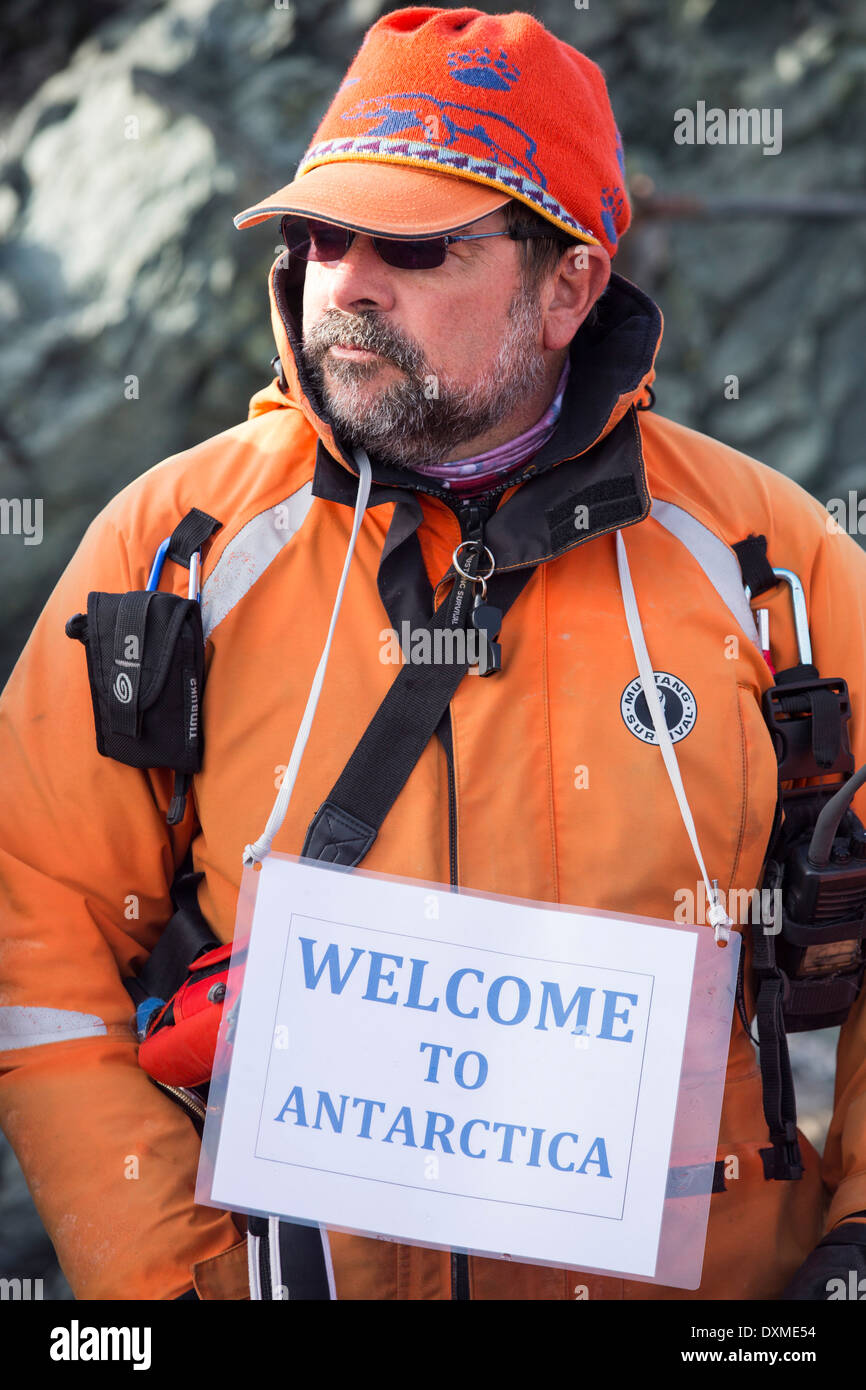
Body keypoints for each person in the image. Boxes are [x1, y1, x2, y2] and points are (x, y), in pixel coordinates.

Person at [1, 5, 865, 1302]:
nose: (346, 279)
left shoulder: (766, 560)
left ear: (567, 283)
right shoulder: (174, 548)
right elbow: (36, 939)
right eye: (320, 235)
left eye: (410, 245)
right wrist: (165, 1286)